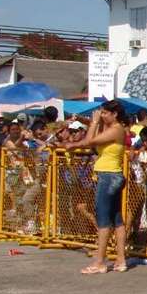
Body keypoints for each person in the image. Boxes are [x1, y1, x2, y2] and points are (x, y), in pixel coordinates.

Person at [61, 100, 130, 274]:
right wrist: (87, 120)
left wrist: (93, 122)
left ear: (114, 114)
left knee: (103, 220)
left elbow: (90, 141)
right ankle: (121, 260)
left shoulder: (115, 129)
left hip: (108, 176)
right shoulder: (113, 128)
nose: (102, 115)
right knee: (116, 219)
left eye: (106, 113)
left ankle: (99, 261)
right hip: (112, 175)